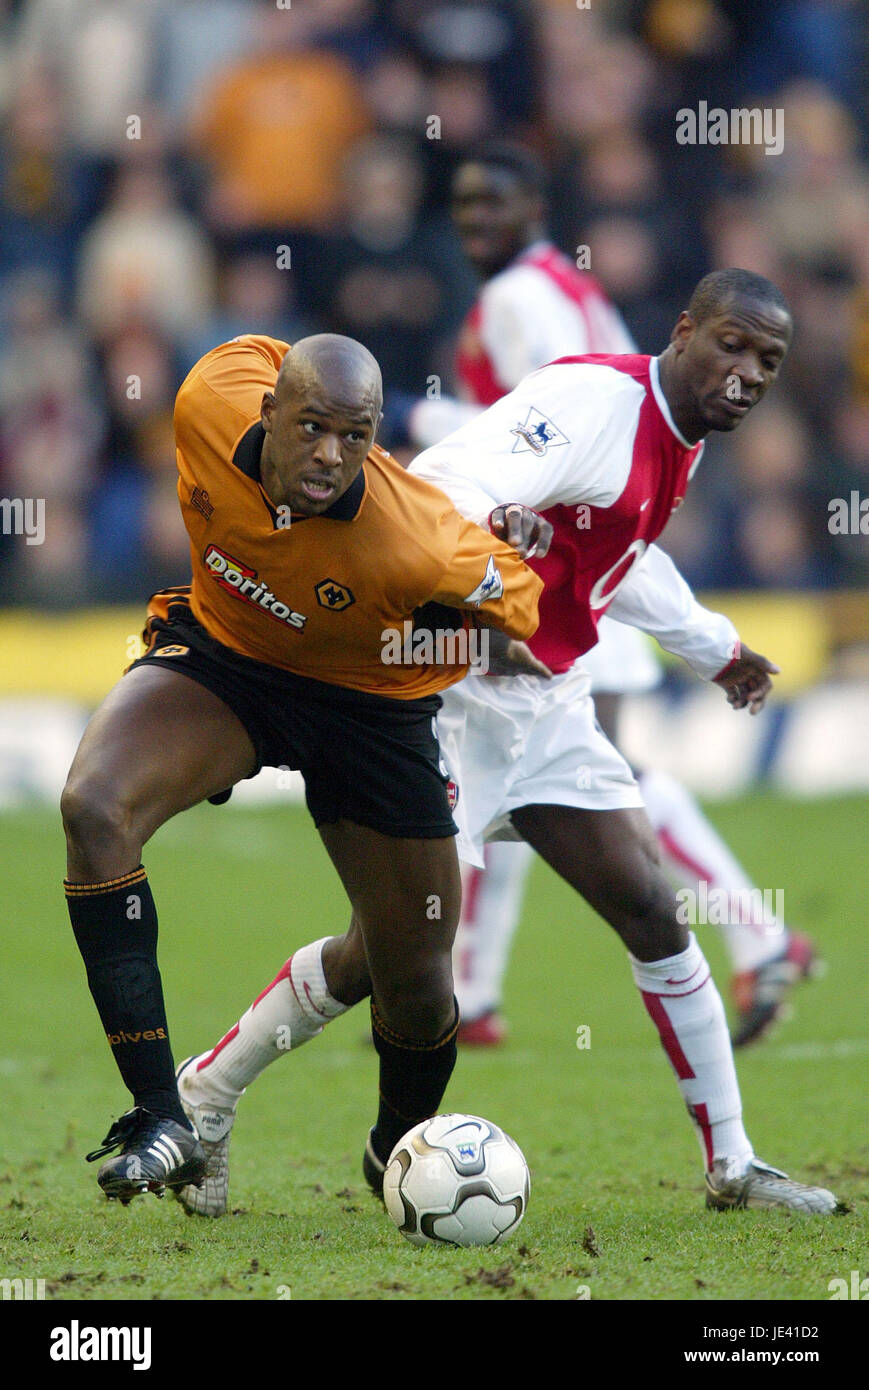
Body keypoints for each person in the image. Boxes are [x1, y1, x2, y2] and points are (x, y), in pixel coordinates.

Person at [174, 271, 838, 1218]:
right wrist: (495, 539)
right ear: (684, 331)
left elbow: (621, 558)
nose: (745, 373)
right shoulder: (594, 403)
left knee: (651, 911)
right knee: (390, 958)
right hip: (451, 698)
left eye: (766, 362)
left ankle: (734, 1166)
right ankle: (208, 1091)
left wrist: (715, 649)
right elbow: (443, 480)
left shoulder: (675, 438)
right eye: (730, 346)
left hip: (549, 710)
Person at [61, 332, 544, 1204]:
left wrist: (495, 564)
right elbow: (267, 350)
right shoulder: (209, 393)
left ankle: (399, 1156)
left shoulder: (416, 538)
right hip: (228, 663)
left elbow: (519, 612)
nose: (330, 456)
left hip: (370, 705)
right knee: (95, 808)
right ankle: (165, 1114)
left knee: (419, 981)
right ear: (269, 410)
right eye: (312, 425)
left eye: (354, 436)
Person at [408, 143, 816, 1049]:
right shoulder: (559, 286)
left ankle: (758, 932)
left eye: (492, 206)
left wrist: (415, 418)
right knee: (540, 781)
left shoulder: (521, 297)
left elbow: (547, 423)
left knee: (594, 785)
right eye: (463, 204)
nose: (474, 221)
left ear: (534, 209)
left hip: (566, 574)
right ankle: (471, 990)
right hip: (578, 564)